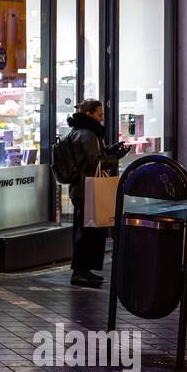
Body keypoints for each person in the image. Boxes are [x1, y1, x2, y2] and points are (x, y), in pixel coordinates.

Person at [63, 99, 127, 288]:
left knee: (86, 231)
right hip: (88, 188)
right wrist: (115, 158)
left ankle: (84, 271)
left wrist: (110, 150)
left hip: (83, 188)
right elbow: (95, 162)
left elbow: (92, 157)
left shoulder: (79, 131)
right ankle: (80, 272)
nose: (101, 118)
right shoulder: (88, 134)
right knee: (86, 232)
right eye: (99, 114)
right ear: (89, 114)